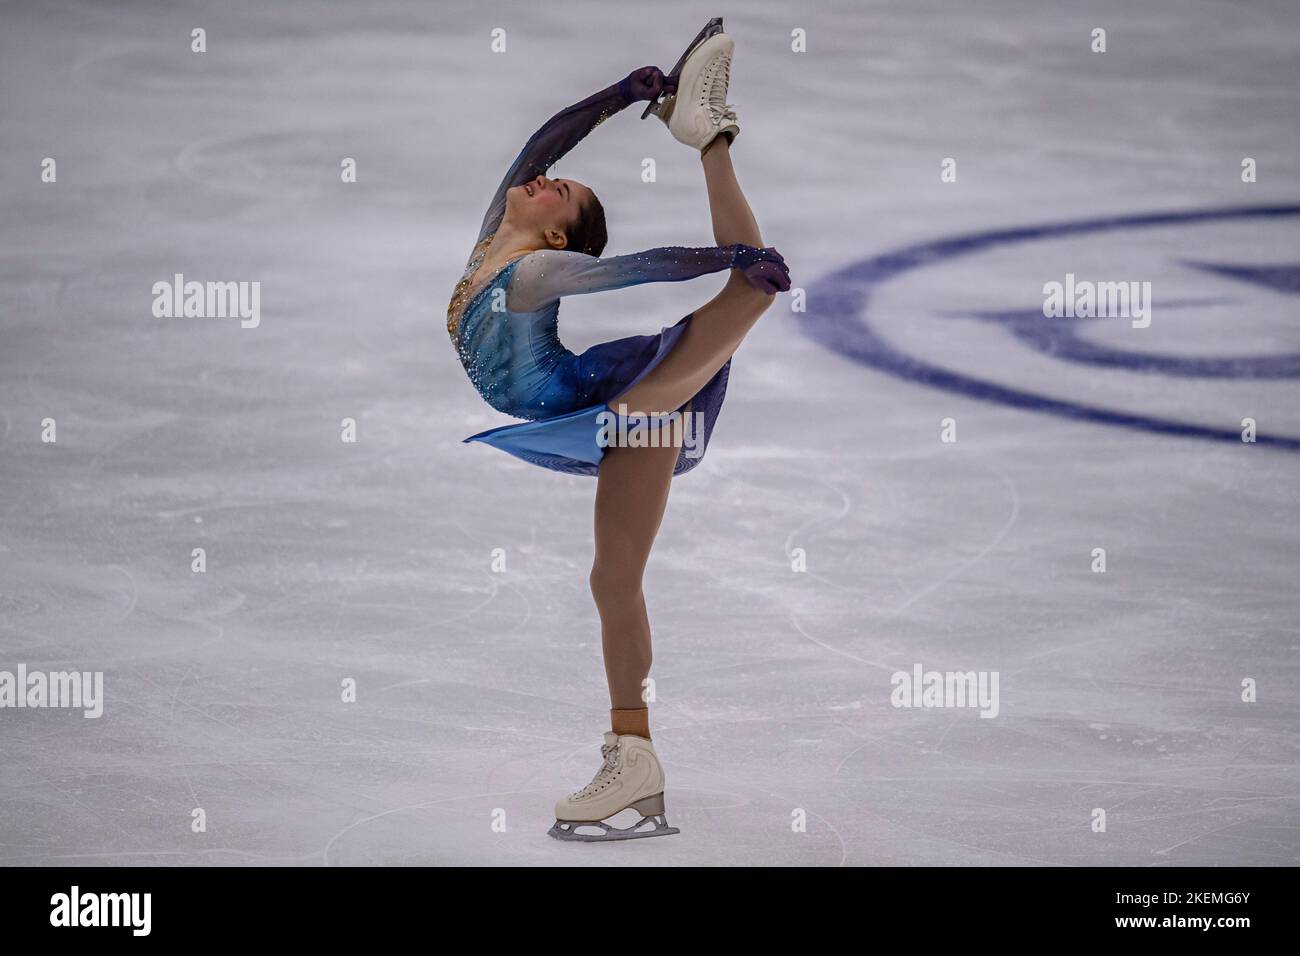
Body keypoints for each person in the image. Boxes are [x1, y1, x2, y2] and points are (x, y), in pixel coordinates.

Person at [446, 25, 789, 841]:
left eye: (561, 191)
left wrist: (733, 258)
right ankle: (634, 762)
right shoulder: (498, 236)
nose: (548, 181)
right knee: (611, 580)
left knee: (750, 288)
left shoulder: (534, 272)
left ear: (557, 234)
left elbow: (635, 268)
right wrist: (618, 95)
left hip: (626, 402)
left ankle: (711, 136)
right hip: (601, 414)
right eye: (553, 183)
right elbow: (541, 142)